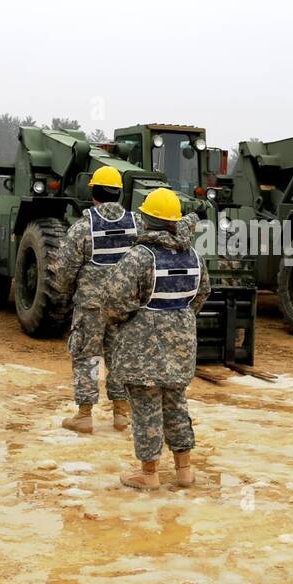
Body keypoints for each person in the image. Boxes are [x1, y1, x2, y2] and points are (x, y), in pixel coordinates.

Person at [96, 187, 209, 490]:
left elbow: (112, 301)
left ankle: (149, 476)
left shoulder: (139, 257)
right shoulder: (194, 255)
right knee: (176, 406)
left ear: (146, 219)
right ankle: (184, 471)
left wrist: (129, 320)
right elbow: (201, 293)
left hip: (142, 351)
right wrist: (179, 320)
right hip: (181, 348)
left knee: (147, 410)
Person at [52, 166, 139, 434]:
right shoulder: (137, 224)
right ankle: (122, 414)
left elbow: (65, 269)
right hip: (124, 307)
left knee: (86, 357)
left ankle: (85, 415)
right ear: (120, 193)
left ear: (93, 193)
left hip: (90, 307)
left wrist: (67, 291)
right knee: (121, 358)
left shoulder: (83, 227)